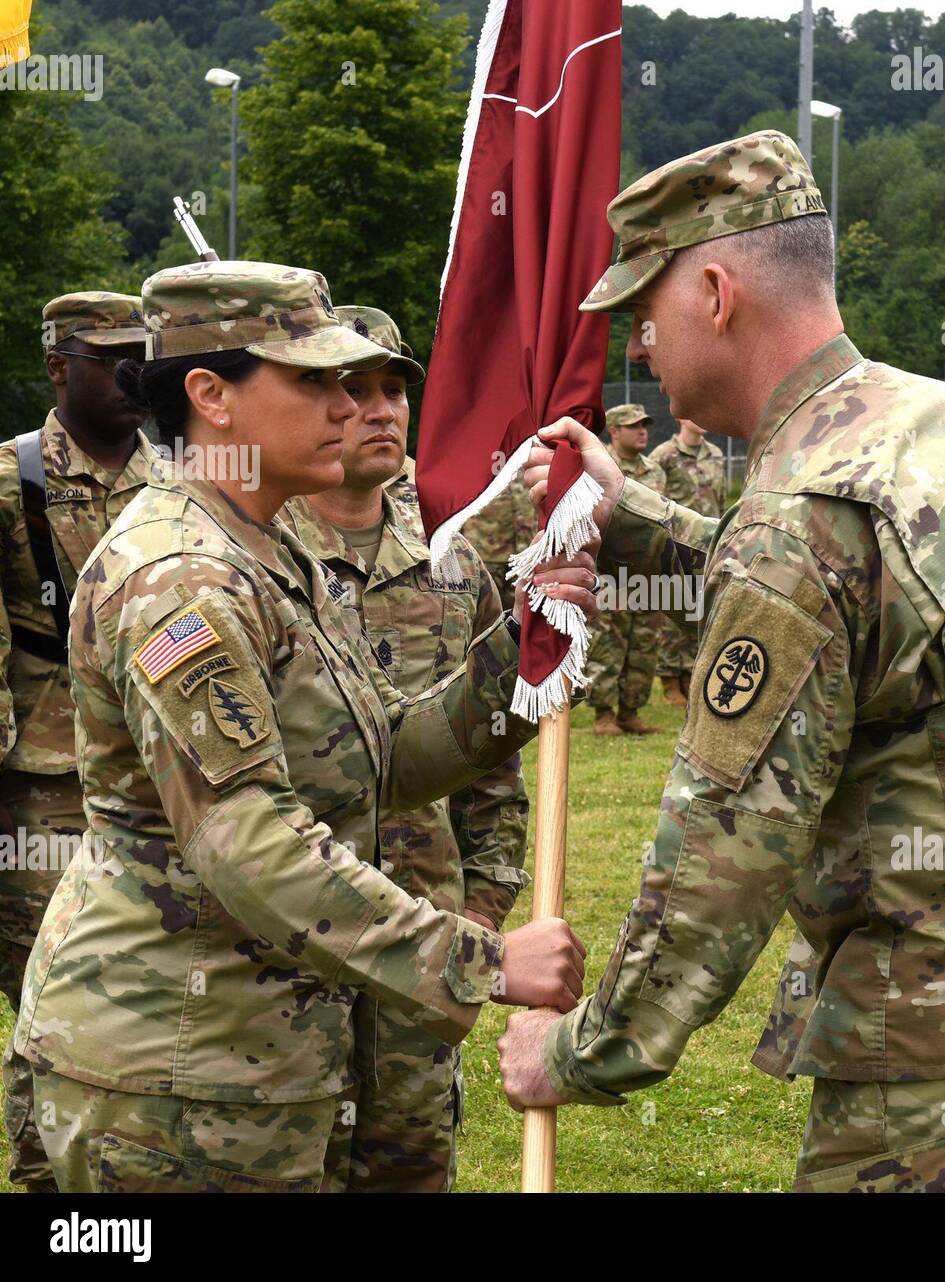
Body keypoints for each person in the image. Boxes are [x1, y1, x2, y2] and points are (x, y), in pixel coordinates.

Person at [497, 131, 945, 1193]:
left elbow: (727, 848)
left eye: (641, 312)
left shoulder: (802, 511)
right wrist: (638, 516)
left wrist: (588, 1049)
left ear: (713, 291)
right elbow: (868, 610)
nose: (636, 346)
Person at [7, 260, 593, 1193]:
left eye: (352, 381)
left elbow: (377, 758)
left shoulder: (271, 549)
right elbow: (246, 842)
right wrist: (477, 959)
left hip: (259, 1063)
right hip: (175, 1078)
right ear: (211, 396)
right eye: (313, 380)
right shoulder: (182, 577)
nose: (346, 406)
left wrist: (512, 656)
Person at [281, 305, 530, 1192]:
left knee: (409, 1164)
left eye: (395, 390)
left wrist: (485, 909)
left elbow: (492, 768)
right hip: (288, 937)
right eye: (354, 389)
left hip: (427, 930)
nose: (381, 409)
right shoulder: (259, 555)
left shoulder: (454, 552)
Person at [0, 291, 156, 1193]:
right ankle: (46, 1182)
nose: (136, 374)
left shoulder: (184, 473)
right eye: (114, 358)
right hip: (47, 780)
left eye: (146, 355)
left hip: (159, 767)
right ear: (59, 366)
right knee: (50, 990)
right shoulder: (13, 478)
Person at [586, 404, 667, 736]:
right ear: (615, 432)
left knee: (644, 642)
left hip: (647, 572)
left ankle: (630, 710)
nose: (643, 431)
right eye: (633, 426)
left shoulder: (656, 471)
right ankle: (604, 712)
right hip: (608, 569)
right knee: (607, 641)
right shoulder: (597, 468)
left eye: (645, 425)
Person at [649, 418, 726, 707]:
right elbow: (655, 498)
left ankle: (692, 674)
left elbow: (720, 498)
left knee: (702, 608)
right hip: (676, 541)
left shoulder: (715, 454)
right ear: (681, 419)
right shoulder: (664, 455)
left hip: (708, 540)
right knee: (675, 609)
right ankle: (670, 678)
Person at [459, 470, 536, 608]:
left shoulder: (529, 454)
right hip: (486, 553)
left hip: (527, 553)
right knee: (486, 611)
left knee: (523, 612)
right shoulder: (474, 459)